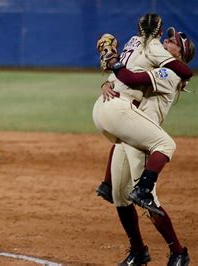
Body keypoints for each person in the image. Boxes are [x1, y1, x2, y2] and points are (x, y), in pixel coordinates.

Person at [93, 26, 194, 265]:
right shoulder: (153, 64)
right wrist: (107, 85)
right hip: (130, 133)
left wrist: (114, 64)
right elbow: (125, 83)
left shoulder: (170, 74)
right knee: (119, 197)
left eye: (173, 42)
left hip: (144, 141)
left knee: (148, 201)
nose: (166, 41)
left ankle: (178, 252)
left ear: (180, 55)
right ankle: (138, 251)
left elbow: (132, 78)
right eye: (167, 38)